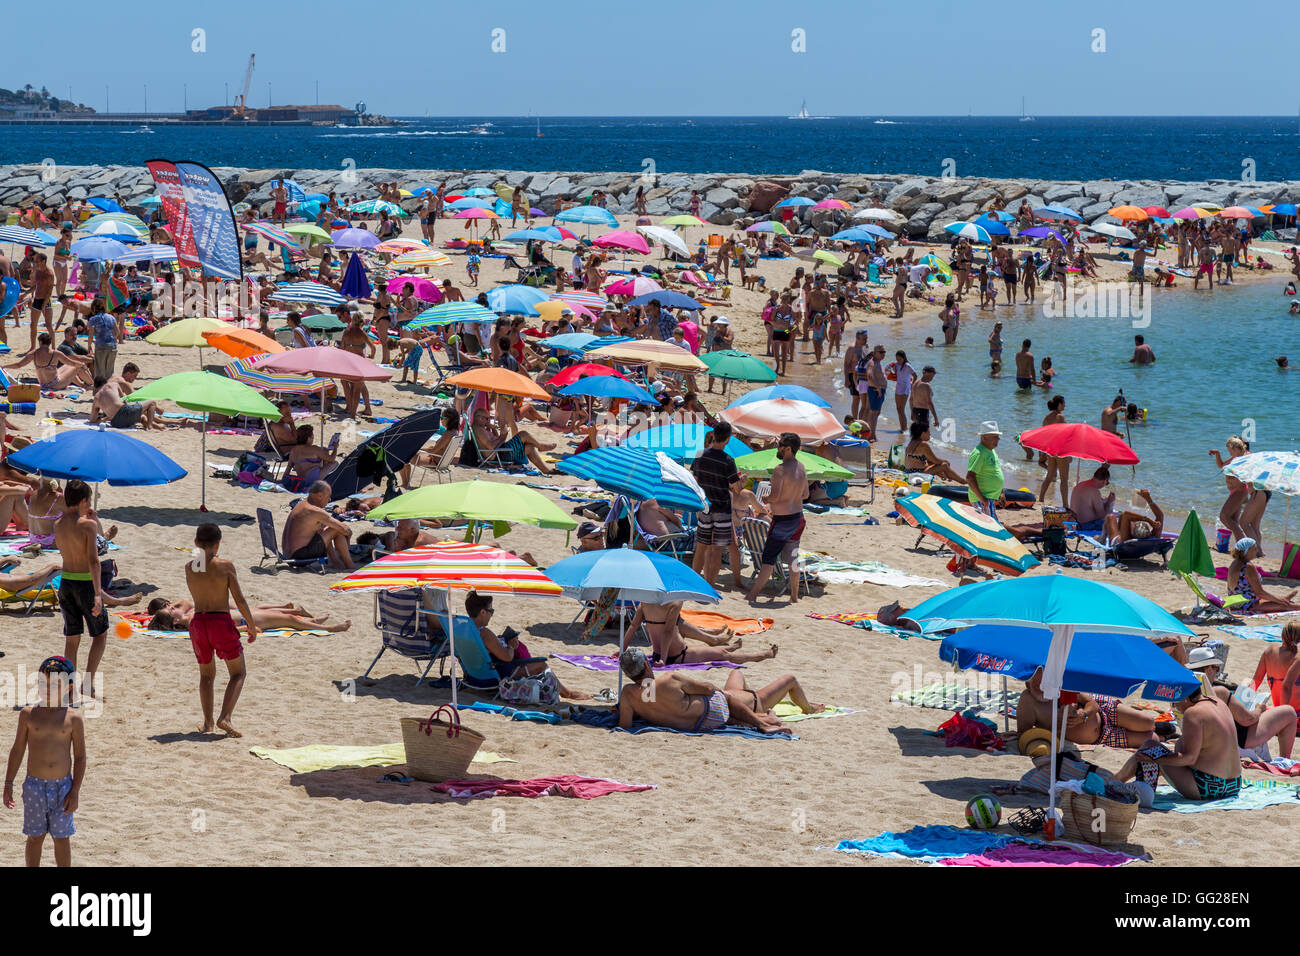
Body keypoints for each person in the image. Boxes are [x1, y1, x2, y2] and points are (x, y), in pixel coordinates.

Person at [3, 656, 86, 867]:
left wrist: (75, 790)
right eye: (42, 683)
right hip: (34, 787)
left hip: (63, 788)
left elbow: (80, 757)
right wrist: (8, 783)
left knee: (61, 838)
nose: (46, 689)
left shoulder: (73, 718)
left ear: (68, 687)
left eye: (54, 684)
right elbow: (18, 750)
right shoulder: (28, 714)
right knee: (34, 837)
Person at [616, 648, 803, 734]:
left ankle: (766, 719)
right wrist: (711, 688)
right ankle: (765, 723)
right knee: (724, 695)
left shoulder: (627, 694)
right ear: (647, 667)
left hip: (696, 725)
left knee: (731, 685)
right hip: (712, 715)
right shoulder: (668, 680)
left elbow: (625, 724)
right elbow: (707, 689)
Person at [183, 524, 257, 738]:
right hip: (220, 622)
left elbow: (200, 565)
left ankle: (208, 723)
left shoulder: (189, 567)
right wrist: (251, 625)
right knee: (238, 672)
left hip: (198, 623)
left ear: (196, 542)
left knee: (206, 676)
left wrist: (204, 553)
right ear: (218, 543)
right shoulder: (225, 566)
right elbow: (239, 599)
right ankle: (225, 717)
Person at [1117, 676, 1242, 802]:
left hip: (1209, 787)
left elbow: (1189, 758)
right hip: (1234, 785)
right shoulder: (1218, 702)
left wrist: (1155, 758)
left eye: (1175, 701)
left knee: (1150, 747)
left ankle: (1116, 782)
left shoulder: (1193, 713)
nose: (1174, 706)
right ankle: (1126, 783)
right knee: (1161, 752)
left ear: (1185, 698)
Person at [464, 591, 588, 700]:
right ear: (482, 612)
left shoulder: (464, 628)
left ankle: (567, 692)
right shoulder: (485, 633)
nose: (492, 614)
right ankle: (567, 693)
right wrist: (511, 646)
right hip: (494, 677)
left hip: (473, 677)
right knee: (542, 664)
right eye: (491, 611)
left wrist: (499, 642)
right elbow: (507, 657)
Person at [1016, 667, 1168, 750]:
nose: (1039, 687)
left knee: (1148, 722)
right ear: (1027, 683)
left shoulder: (1060, 684)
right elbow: (1025, 735)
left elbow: (1092, 704)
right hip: (1102, 737)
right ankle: (1161, 734)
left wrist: (1083, 715)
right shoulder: (1028, 701)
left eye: (1042, 683)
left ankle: (1157, 728)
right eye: (1034, 684)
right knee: (1152, 739)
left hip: (1103, 710)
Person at [52, 480, 108, 695]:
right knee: (100, 635)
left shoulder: (58, 524)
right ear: (84, 500)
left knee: (72, 638)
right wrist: (97, 594)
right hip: (85, 583)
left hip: (66, 582)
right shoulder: (88, 525)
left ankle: (69, 685)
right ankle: (88, 682)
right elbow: (94, 560)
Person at [1189, 647, 1295, 759]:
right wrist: (1259, 709)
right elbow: (1247, 719)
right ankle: (1285, 760)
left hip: (1204, 740)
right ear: (1209, 669)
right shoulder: (1219, 692)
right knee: (1288, 712)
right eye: (1216, 668)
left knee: (1246, 686)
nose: (1217, 671)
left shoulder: (1186, 693)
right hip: (1236, 740)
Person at [747, 433, 809, 604]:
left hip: (783, 521)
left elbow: (774, 497)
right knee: (793, 558)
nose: (777, 447)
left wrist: (766, 499)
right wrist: (791, 495)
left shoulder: (780, 470)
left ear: (788, 448)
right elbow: (806, 494)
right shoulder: (802, 467)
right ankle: (794, 596)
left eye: (780, 444)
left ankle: (753, 595)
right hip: (798, 518)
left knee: (769, 559)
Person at [627, 601, 777, 666]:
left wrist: (621, 650)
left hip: (658, 654)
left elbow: (633, 627)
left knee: (679, 625)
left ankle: (715, 641)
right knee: (724, 655)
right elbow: (666, 632)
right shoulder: (675, 603)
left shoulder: (644, 603)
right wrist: (664, 661)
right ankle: (763, 655)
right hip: (677, 655)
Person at [690, 422, 742, 590]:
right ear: (727, 439)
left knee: (701, 547)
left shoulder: (700, 455)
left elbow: (695, 481)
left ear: (713, 434)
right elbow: (737, 489)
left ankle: (693, 584)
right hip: (722, 508)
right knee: (717, 550)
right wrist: (742, 481)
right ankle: (709, 587)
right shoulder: (728, 460)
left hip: (705, 506)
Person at [282, 481, 355, 570]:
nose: (329, 500)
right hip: (299, 556)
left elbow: (324, 532)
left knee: (329, 530)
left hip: (288, 554)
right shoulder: (315, 511)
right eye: (328, 496)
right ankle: (349, 565)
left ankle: (337, 562)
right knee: (336, 530)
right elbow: (344, 529)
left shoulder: (301, 504)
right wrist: (348, 537)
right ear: (320, 495)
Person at [469, 408, 555, 474]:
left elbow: (495, 440)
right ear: (479, 418)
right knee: (523, 434)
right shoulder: (479, 429)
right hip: (498, 456)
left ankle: (546, 471)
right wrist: (503, 436)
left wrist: (494, 429)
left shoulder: (482, 428)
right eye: (487, 418)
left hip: (500, 452)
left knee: (529, 447)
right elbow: (491, 446)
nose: (488, 421)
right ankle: (540, 446)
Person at [1226, 538, 1300, 613]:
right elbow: (1260, 592)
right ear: (1247, 551)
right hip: (1245, 604)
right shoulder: (1248, 566)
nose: (1257, 551)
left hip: (1235, 601)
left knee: (1277, 601)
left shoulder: (1235, 562)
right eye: (1254, 548)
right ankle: (1284, 600)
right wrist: (1278, 600)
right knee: (1284, 606)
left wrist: (1277, 599)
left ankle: (1283, 599)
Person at [1253, 621, 1300, 710]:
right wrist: (1283, 714)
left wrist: (1245, 700)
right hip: (1292, 713)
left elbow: (1256, 680)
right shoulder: (1297, 658)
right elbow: (1286, 687)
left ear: (1282, 636)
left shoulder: (1269, 652)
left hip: (1277, 708)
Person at [90, 376, 164, 430]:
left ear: (96, 388)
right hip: (125, 412)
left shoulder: (96, 398)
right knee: (152, 403)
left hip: (116, 423)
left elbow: (93, 420)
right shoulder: (113, 384)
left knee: (142, 418)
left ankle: (159, 427)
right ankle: (150, 426)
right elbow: (124, 401)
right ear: (106, 382)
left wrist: (105, 418)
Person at [1037, 395, 1070, 509]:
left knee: (1049, 476)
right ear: (1059, 404)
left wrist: (1042, 451)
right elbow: (1067, 434)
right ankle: (1065, 504)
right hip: (1060, 451)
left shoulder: (1047, 418)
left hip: (1050, 451)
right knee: (1064, 480)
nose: (1065, 405)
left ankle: (1040, 498)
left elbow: (1043, 435)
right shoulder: (1060, 417)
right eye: (1064, 403)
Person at [965, 422, 1003, 520]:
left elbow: (996, 471)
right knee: (991, 526)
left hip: (989, 498)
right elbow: (970, 477)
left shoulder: (991, 451)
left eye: (998, 436)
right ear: (984, 437)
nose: (998, 439)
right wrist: (982, 498)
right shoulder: (979, 453)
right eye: (994, 436)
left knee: (991, 524)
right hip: (981, 499)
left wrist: (1001, 493)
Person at [1069, 464, 1116, 532]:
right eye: (1106, 483)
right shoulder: (1094, 491)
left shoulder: (1080, 484)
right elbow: (1101, 515)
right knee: (1113, 523)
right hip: (1085, 525)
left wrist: (1101, 501)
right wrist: (1109, 502)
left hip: (1074, 522)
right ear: (1105, 481)